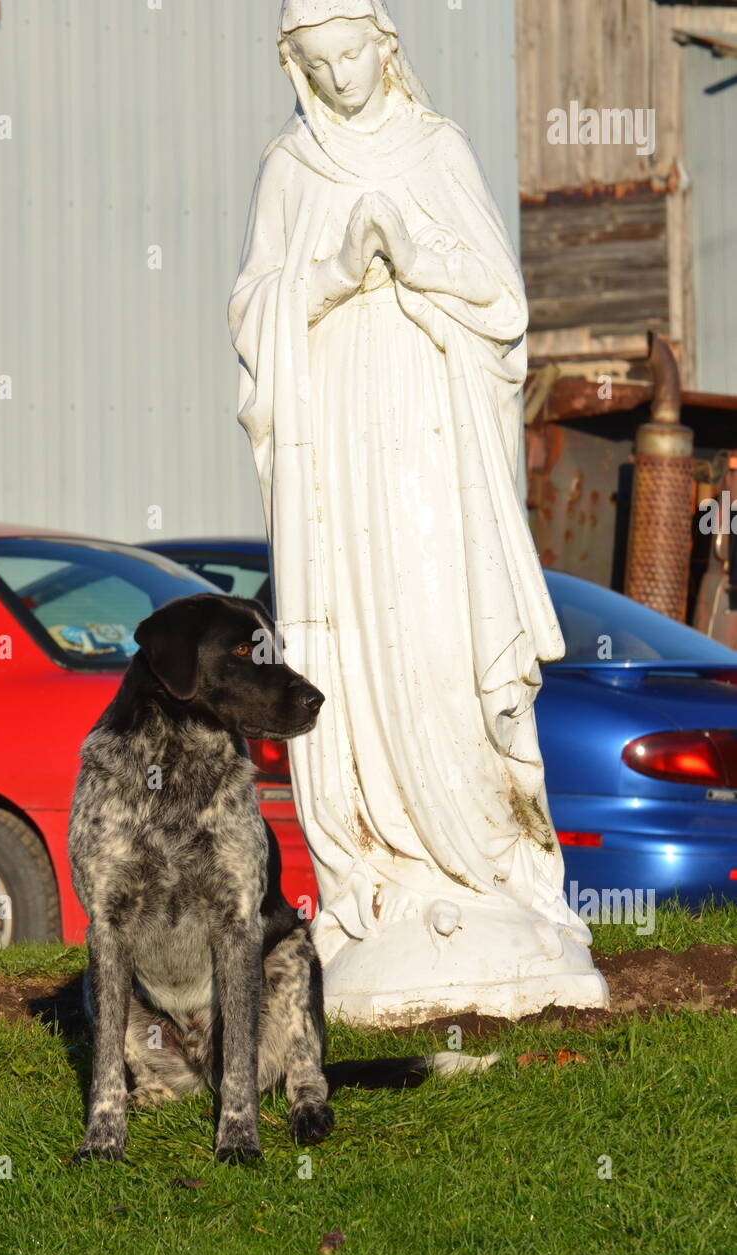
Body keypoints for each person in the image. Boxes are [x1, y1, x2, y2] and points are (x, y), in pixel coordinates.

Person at [229, 0, 606, 1015]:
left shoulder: (439, 149)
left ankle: (492, 875)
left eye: (354, 53)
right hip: (339, 463)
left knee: (444, 647)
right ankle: (380, 890)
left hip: (433, 458)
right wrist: (334, 271)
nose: (342, 75)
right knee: (356, 660)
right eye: (321, 60)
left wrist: (420, 261)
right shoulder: (290, 168)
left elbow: (503, 306)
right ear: (298, 68)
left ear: (385, 49)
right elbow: (254, 309)